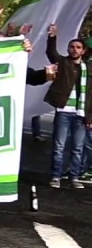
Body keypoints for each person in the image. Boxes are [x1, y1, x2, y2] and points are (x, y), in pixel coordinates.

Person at [44, 24, 89, 189]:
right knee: (59, 146)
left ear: (83, 51)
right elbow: (51, 53)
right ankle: (56, 176)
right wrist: (52, 36)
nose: (74, 50)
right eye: (71, 47)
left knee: (78, 147)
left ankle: (74, 177)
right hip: (64, 111)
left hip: (81, 113)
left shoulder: (88, 69)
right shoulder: (63, 63)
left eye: (78, 47)